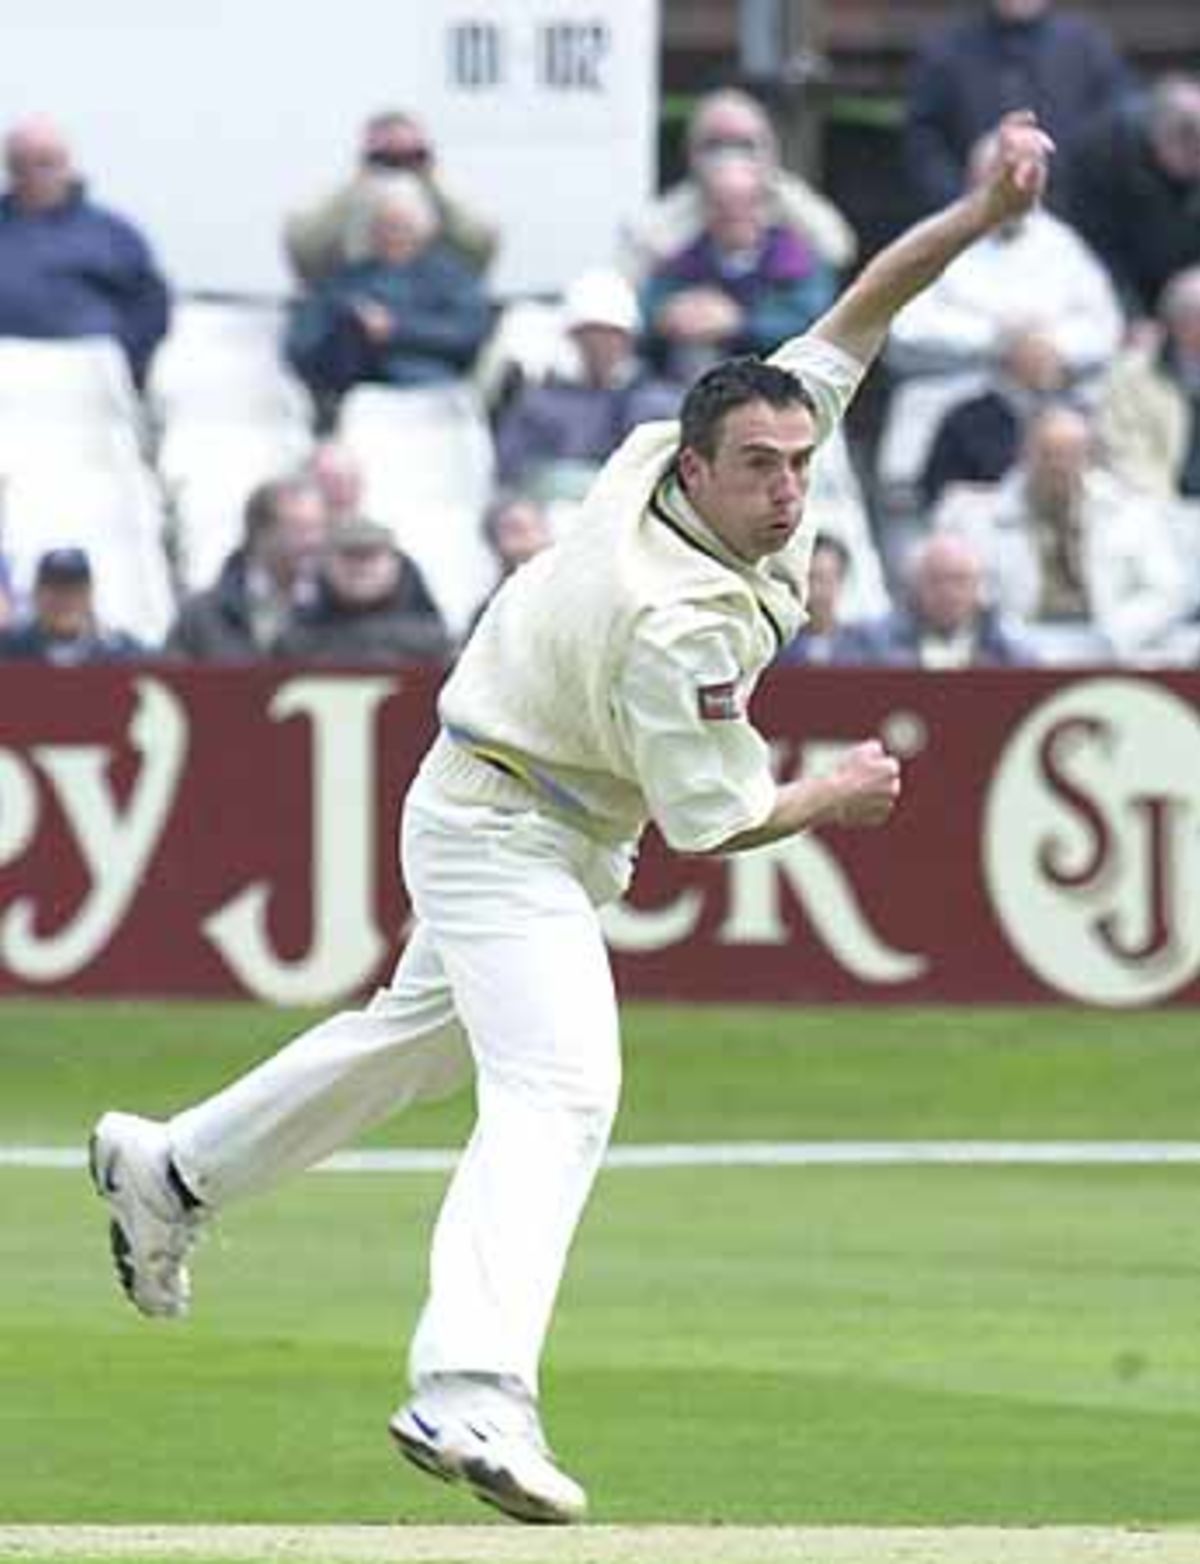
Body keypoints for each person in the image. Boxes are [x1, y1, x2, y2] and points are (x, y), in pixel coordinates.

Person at [88, 111, 1052, 1526]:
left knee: (411, 1046)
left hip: (498, 792)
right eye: (763, 468)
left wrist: (979, 213)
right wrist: (836, 793)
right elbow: (716, 823)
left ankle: (172, 1170)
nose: (791, 489)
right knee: (562, 1091)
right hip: (508, 831)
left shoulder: (679, 440)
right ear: (697, 470)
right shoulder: (675, 622)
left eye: (800, 460)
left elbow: (863, 305)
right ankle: (470, 1385)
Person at [935, 404, 1190, 663]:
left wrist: (1114, 634)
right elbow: (955, 592)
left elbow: (1167, 590)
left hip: (1114, 645)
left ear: (1090, 458)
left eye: (1071, 455)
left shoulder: (1133, 511)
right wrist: (1010, 639)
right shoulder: (971, 517)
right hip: (1010, 649)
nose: (1059, 466)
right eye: (1048, 454)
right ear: (1024, 454)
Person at [903, 0, 1129, 215]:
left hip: (1071, 219)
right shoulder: (947, 51)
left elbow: (1117, 126)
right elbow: (922, 139)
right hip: (972, 218)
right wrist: (958, 201)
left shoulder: (1087, 48)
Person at [619, 86, 857, 284]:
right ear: (692, 151)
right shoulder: (674, 211)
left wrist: (767, 185)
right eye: (715, 145)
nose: (730, 156)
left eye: (744, 144)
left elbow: (838, 251)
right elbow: (632, 269)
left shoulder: (788, 198)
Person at [285, 180, 492, 403]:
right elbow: (301, 343)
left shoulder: (451, 278)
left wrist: (395, 328)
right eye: (383, 226)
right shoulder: (346, 280)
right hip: (351, 392)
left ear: (424, 230)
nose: (392, 235)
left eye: (401, 227)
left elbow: (468, 332)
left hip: (427, 389)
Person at [0, 117, 170, 383]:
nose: (33, 173)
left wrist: (125, 361)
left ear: (66, 165)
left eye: (45, 162)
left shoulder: (111, 234)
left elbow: (150, 305)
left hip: (84, 374)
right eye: (20, 164)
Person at [640, 156, 837, 384]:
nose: (733, 213)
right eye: (721, 203)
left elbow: (815, 323)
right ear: (704, 207)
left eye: (745, 202)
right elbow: (645, 310)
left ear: (765, 206)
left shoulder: (798, 260)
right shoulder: (683, 259)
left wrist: (739, 323)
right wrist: (670, 316)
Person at [495, 269, 682, 498]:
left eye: (614, 335)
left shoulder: (653, 403)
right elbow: (509, 475)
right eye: (593, 334)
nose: (604, 345)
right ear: (572, 337)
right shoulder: (538, 404)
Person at [284, 109, 499, 286]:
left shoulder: (442, 203)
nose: (400, 167)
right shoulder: (349, 202)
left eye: (412, 157)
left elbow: (482, 248)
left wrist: (430, 184)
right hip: (358, 298)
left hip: (431, 302)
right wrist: (360, 183)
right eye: (386, 158)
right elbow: (304, 251)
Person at [1060, 76, 1200, 318]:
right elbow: (1095, 249)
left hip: (1185, 284)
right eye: (1193, 155)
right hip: (1111, 285)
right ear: (1164, 136)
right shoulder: (1102, 156)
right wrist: (1132, 315)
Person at [164, 476, 328, 660]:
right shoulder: (200, 618)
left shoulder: (338, 614)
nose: (314, 541)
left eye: (318, 528)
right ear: (261, 533)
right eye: (299, 529)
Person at [277, 517, 450, 664]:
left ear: (395, 563)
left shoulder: (435, 642)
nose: (360, 567)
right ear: (327, 563)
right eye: (349, 556)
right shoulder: (296, 638)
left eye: (370, 556)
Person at [851, 531, 1034, 667]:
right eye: (936, 580)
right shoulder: (868, 644)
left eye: (960, 579)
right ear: (915, 584)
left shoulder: (1008, 650)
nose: (949, 592)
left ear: (978, 586)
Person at [1095, 263, 1200, 500]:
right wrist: (1167, 505)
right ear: (1182, 325)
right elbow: (1125, 452)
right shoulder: (1131, 376)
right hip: (1158, 503)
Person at [0, 547, 144, 664]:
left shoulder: (121, 652)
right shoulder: (8, 649)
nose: (64, 600)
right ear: (36, 594)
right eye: (54, 590)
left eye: (73, 590)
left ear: (89, 594)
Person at [774, 533, 875, 665]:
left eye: (826, 580)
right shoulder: (778, 648)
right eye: (812, 579)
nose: (818, 591)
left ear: (841, 582)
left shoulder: (863, 649)